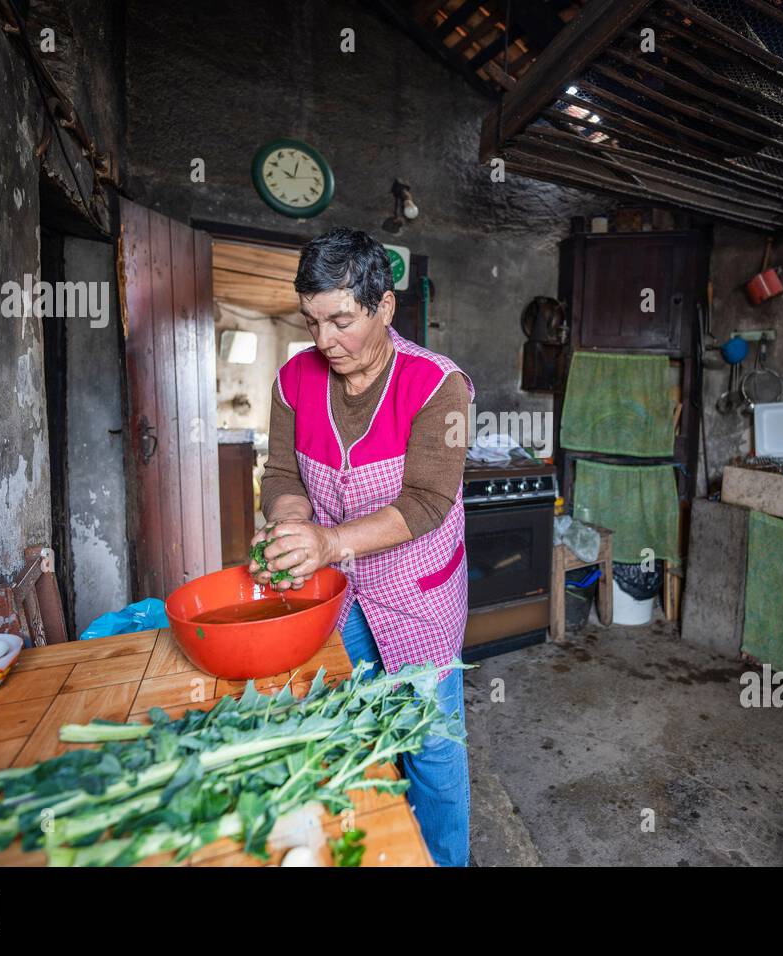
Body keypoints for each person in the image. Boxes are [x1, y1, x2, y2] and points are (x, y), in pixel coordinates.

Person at [251, 226, 473, 866]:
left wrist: (328, 540)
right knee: (349, 730)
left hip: (418, 598)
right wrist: (294, 528)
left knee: (427, 744)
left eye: (342, 321)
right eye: (312, 321)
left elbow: (428, 502)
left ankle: (442, 859)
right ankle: (377, 851)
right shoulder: (295, 380)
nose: (325, 341)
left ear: (385, 307)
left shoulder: (437, 386)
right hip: (339, 595)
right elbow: (285, 475)